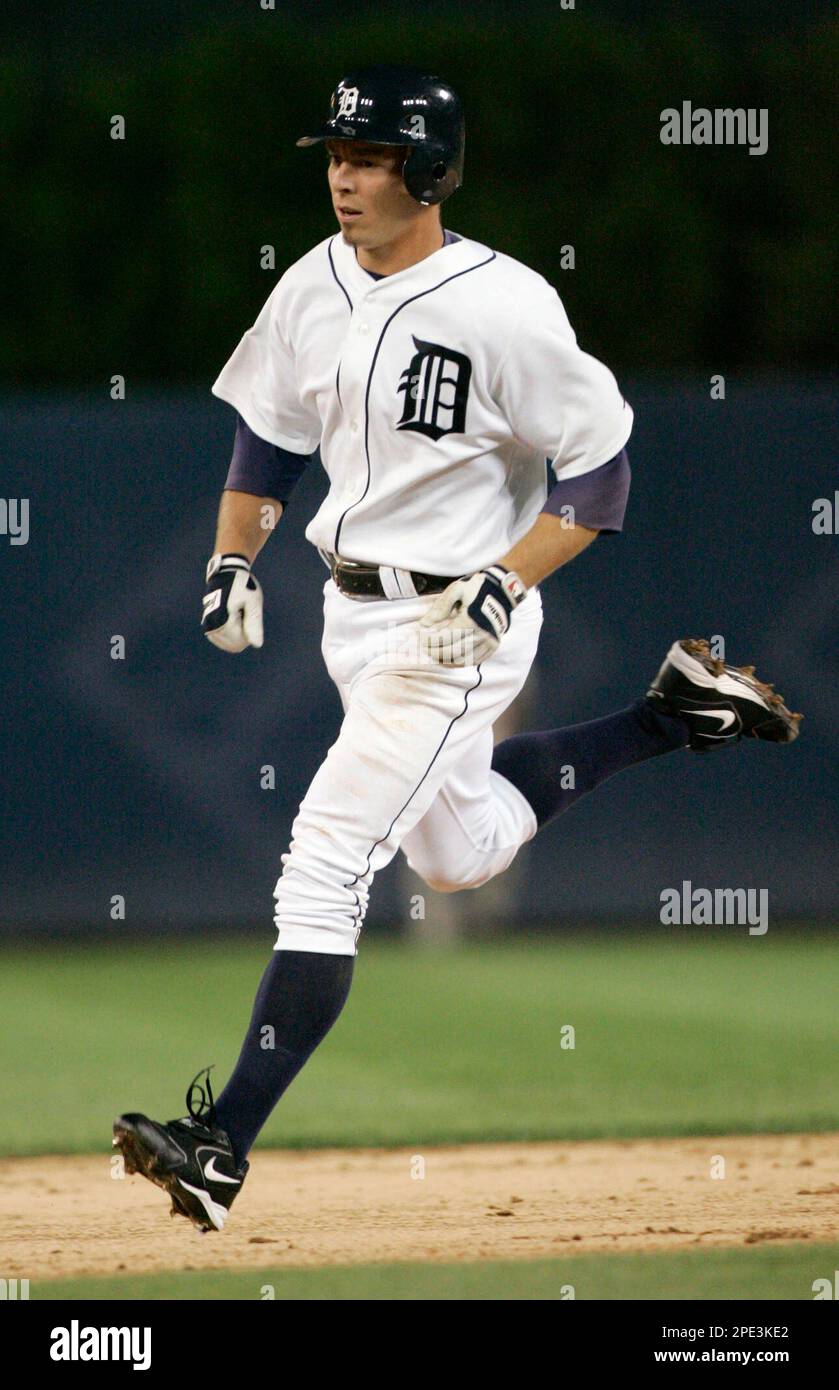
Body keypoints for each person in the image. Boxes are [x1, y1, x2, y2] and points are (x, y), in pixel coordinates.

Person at [113, 65, 800, 1233]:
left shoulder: (505, 305)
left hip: (452, 627)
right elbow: (269, 439)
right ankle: (669, 715)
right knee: (459, 851)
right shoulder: (312, 285)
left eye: (371, 155)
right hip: (350, 614)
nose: (343, 174)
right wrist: (231, 559)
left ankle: (220, 1144)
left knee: (325, 859)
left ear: (427, 172)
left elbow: (598, 476)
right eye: (334, 152)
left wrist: (503, 580)